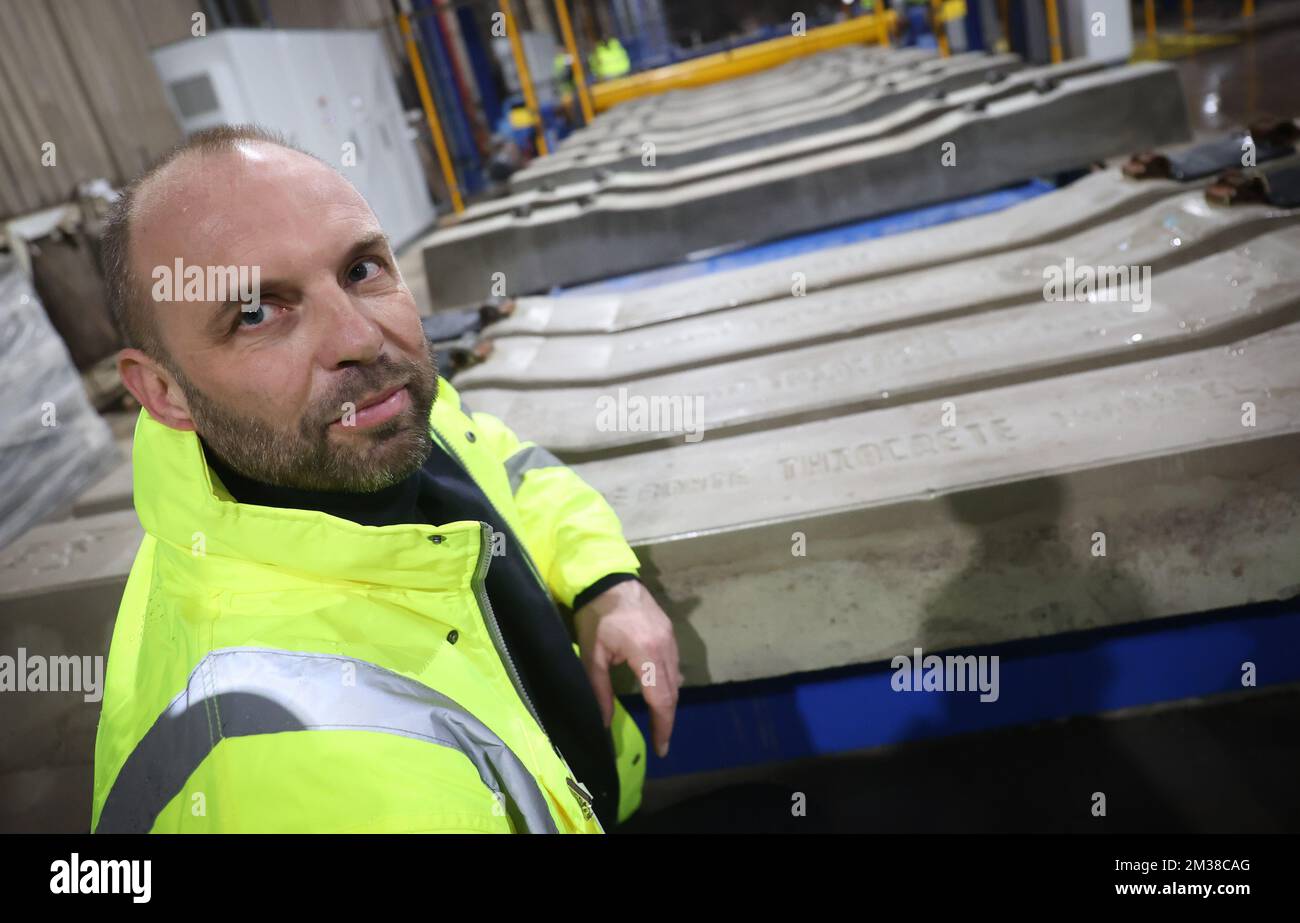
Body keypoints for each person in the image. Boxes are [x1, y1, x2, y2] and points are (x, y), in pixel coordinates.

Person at [90, 124, 681, 833]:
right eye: (256, 312)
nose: (360, 338)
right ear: (162, 392)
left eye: (361, 270)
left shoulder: (368, 426)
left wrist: (603, 583)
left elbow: (500, 463)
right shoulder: (311, 777)